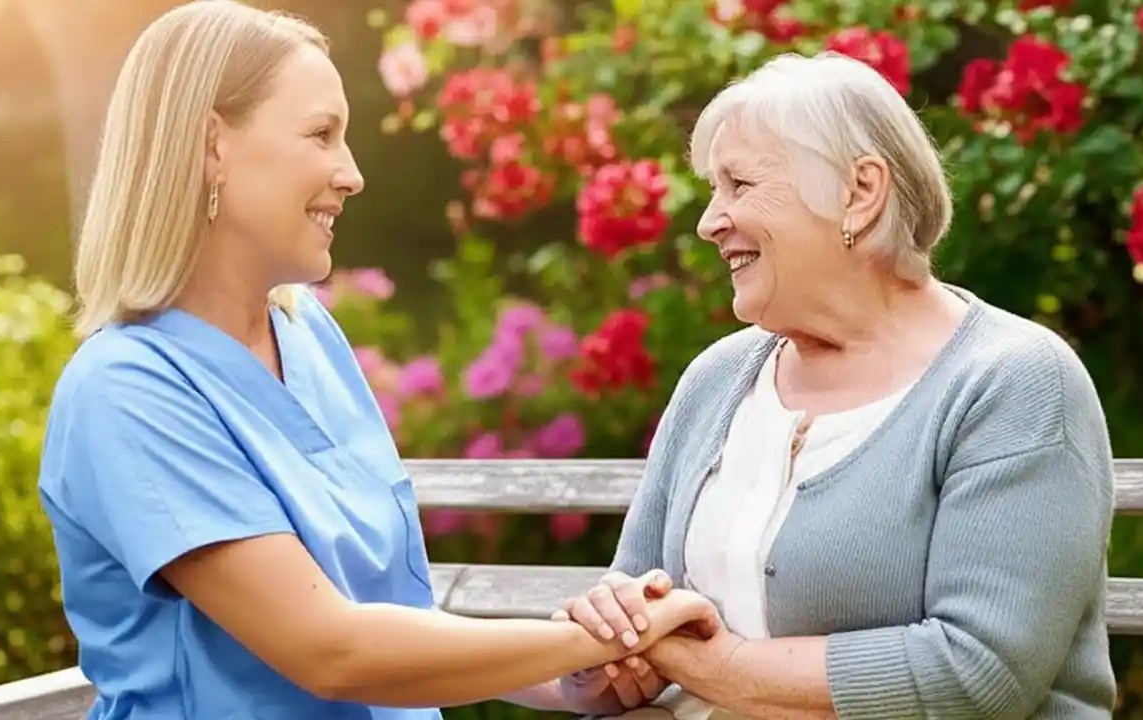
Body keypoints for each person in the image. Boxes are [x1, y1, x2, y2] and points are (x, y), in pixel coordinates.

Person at [36, 2, 720, 719]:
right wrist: (594, 639)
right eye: (321, 135)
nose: (352, 173)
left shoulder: (309, 336)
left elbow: (396, 615)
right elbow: (332, 652)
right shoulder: (126, 391)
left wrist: (578, 682)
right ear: (213, 145)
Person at [552, 52, 1119, 718]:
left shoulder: (1011, 381)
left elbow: (978, 673)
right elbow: (630, 616)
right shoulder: (716, 380)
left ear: (859, 191)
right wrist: (606, 661)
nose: (709, 221)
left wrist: (718, 667)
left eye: (738, 185)